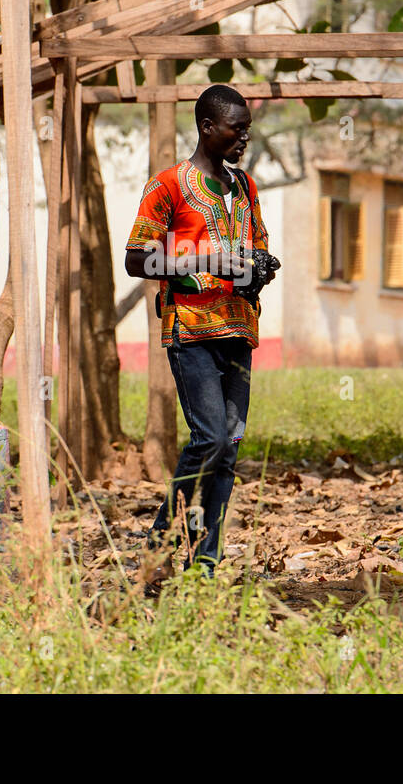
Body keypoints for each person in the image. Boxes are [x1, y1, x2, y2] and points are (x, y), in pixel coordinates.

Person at [124, 84, 276, 576]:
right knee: (208, 437)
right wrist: (210, 259)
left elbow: (256, 244)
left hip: (239, 330)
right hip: (189, 331)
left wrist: (260, 266)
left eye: (248, 129)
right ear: (208, 128)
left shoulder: (245, 188)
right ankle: (157, 547)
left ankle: (205, 565)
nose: (244, 138)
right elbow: (135, 259)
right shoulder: (167, 186)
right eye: (237, 128)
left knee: (228, 449)